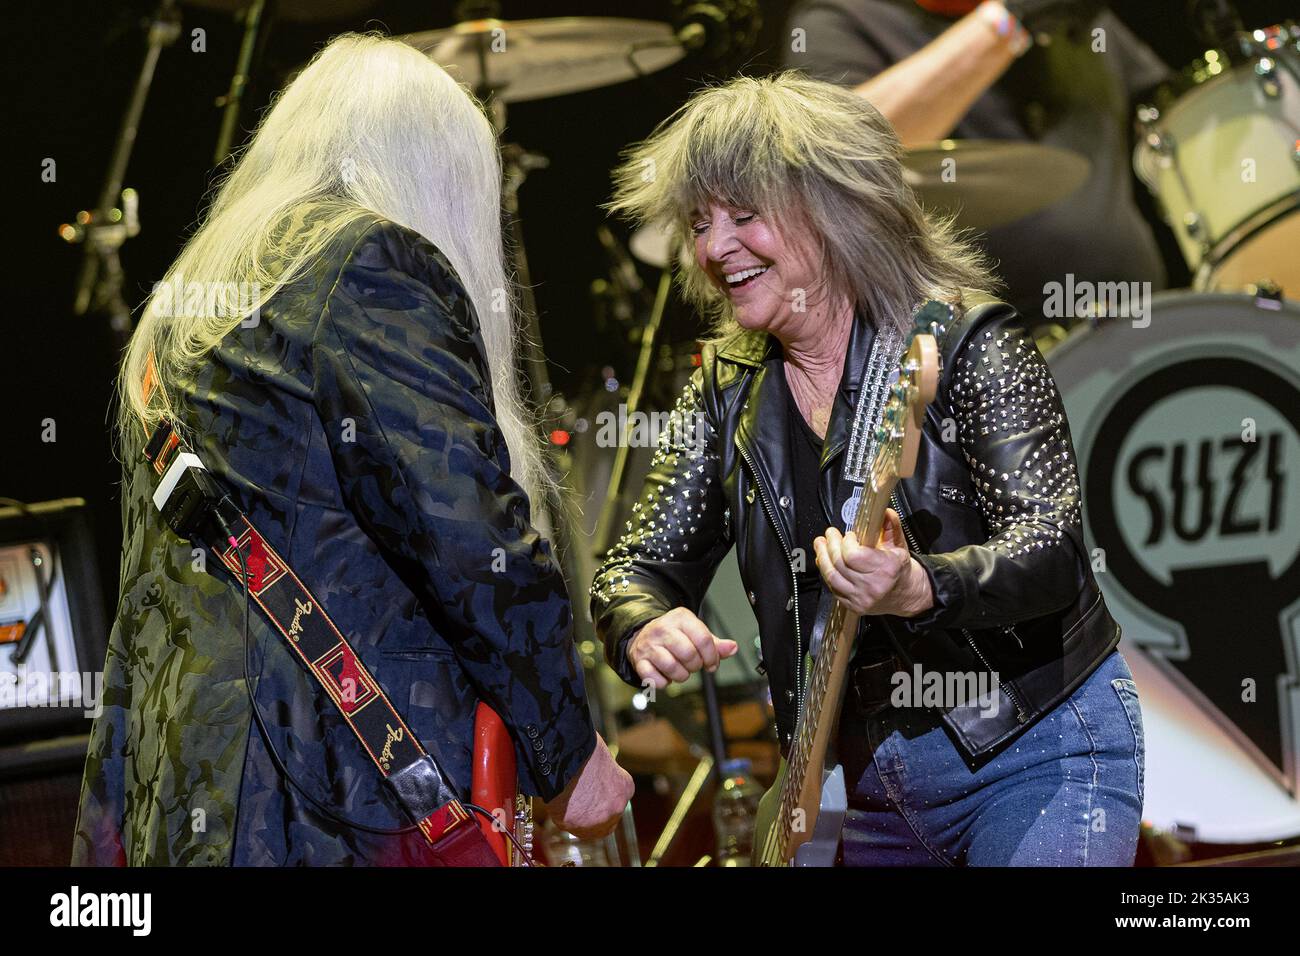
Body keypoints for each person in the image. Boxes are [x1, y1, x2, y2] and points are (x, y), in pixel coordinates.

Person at [73, 33, 631, 866]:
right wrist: (572, 749)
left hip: (180, 776)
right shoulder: (371, 260)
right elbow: (470, 538)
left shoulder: (187, 306)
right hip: (336, 794)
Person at [592, 73, 1144, 866]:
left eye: (745, 216)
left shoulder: (962, 342)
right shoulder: (725, 387)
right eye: (700, 223)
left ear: (834, 209)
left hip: (1036, 747)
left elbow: (1053, 550)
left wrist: (922, 586)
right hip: (859, 791)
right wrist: (644, 623)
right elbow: (633, 566)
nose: (715, 248)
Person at [782, 0, 1170, 329]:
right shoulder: (840, 20)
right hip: (982, 344)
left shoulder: (1078, 18)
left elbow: (1175, 124)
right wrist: (1007, 20)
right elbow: (841, 146)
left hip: (1146, 317)